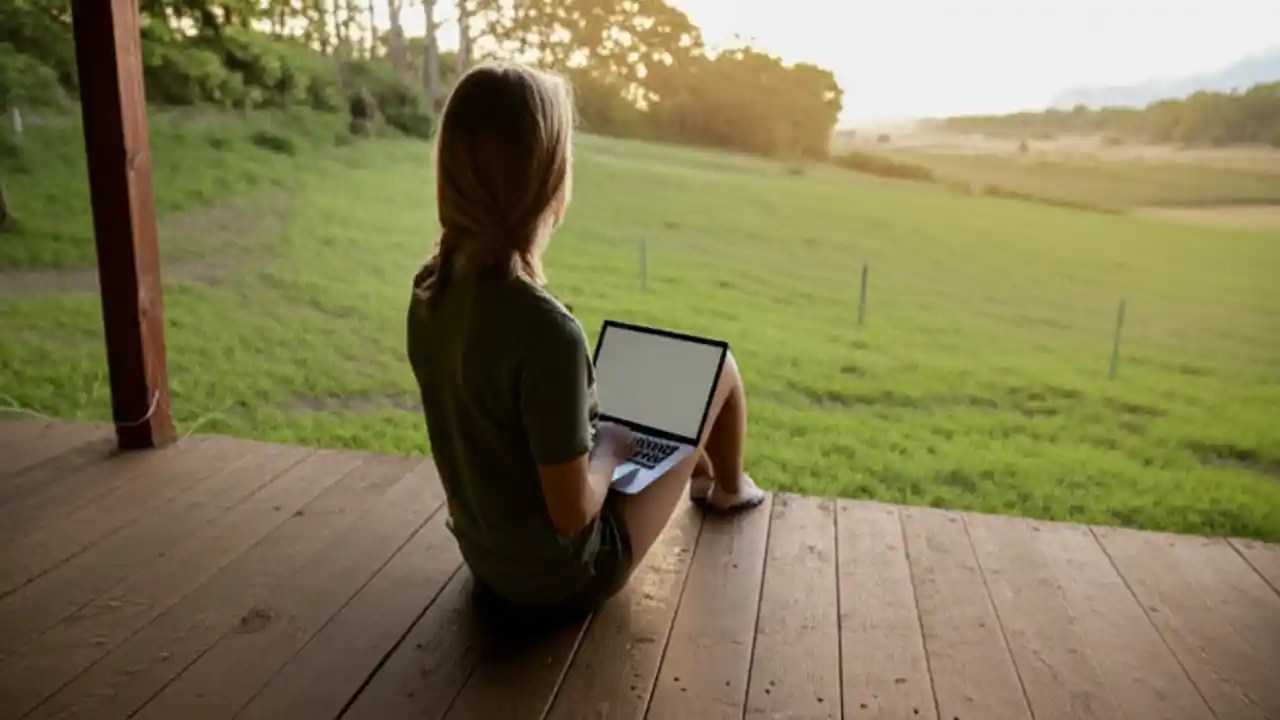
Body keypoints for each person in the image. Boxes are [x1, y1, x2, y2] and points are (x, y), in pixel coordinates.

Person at [406, 63, 766, 614]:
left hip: (487, 557)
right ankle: (728, 489)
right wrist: (609, 449)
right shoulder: (548, 332)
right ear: (550, 182)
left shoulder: (431, 293)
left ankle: (699, 471)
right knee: (718, 371)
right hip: (562, 578)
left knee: (629, 424)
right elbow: (573, 512)